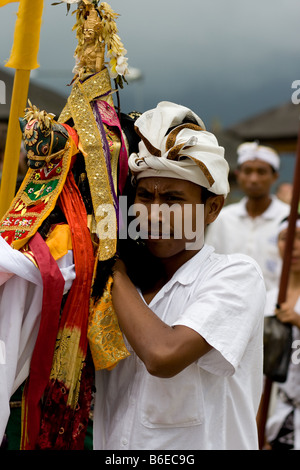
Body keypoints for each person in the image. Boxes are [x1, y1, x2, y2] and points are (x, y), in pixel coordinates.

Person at [92, 101, 266, 450]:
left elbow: (163, 355)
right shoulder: (120, 283)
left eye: (172, 199)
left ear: (212, 208)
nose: (154, 214)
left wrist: (114, 266)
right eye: (144, 196)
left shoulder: (235, 276)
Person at [205, 141, 290, 291]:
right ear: (238, 175)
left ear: (275, 176)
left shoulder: (288, 218)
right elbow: (209, 264)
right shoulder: (223, 218)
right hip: (228, 306)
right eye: (248, 171)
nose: (254, 179)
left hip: (273, 310)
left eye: (261, 172)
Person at [264, 216, 300, 450]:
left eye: (299, 237)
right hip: (282, 410)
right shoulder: (270, 298)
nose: (293, 245)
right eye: (285, 238)